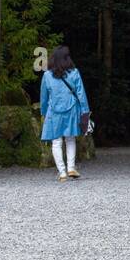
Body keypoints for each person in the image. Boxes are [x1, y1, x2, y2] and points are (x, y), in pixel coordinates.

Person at [39, 45, 90, 182]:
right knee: (70, 139)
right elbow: (81, 94)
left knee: (56, 141)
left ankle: (62, 173)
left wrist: (43, 112)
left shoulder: (47, 75)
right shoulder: (74, 73)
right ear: (67, 58)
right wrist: (85, 111)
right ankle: (71, 168)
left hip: (54, 111)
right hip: (72, 109)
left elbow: (43, 97)